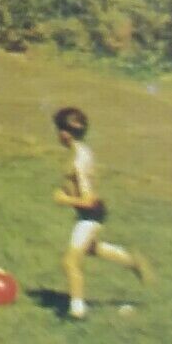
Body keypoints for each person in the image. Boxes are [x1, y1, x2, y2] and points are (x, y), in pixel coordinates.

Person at [52, 107, 151, 320]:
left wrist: (64, 199)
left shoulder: (78, 160)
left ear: (65, 133)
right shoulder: (82, 152)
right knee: (91, 249)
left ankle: (77, 310)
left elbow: (88, 200)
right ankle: (132, 261)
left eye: (58, 130)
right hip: (90, 215)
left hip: (90, 216)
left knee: (70, 262)